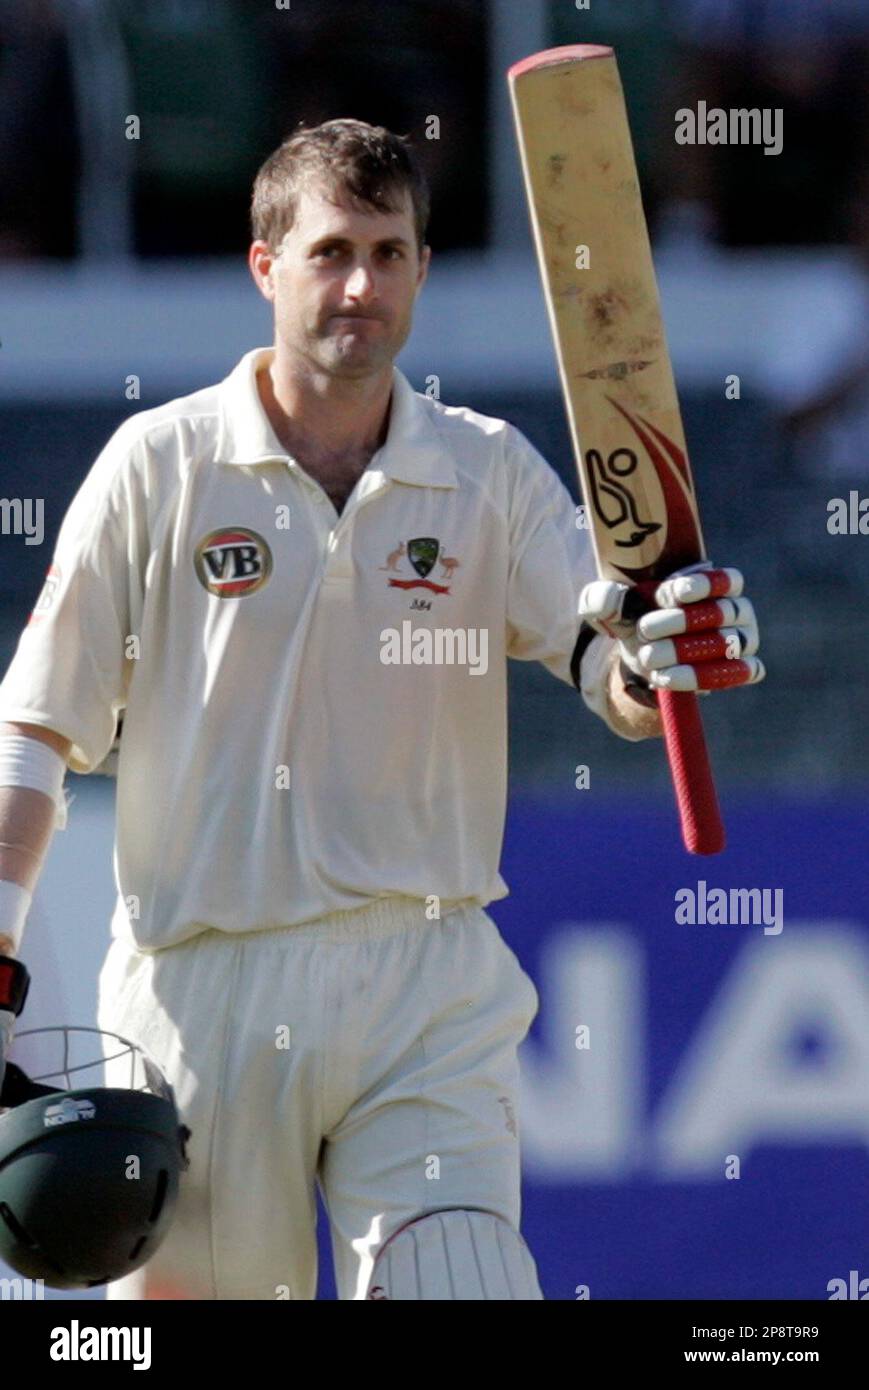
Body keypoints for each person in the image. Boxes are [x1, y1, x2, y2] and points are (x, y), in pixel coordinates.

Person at [0, 120, 763, 1300]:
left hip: (425, 977)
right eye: (332, 251)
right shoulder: (158, 464)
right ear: (265, 267)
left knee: (461, 1282)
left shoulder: (486, 468)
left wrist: (670, 658)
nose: (362, 284)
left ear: (419, 263)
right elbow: (35, 733)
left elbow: (604, 663)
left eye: (391, 251)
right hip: (203, 986)